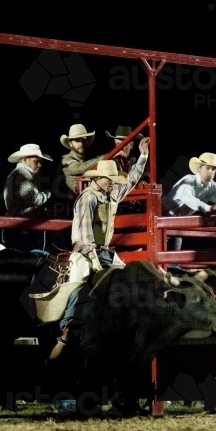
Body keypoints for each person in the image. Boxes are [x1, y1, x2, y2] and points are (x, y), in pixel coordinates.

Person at [51, 137, 150, 357]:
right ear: (101, 178)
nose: (115, 183)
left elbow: (131, 181)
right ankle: (66, 330)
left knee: (130, 280)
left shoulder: (110, 194)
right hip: (86, 252)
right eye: (111, 179)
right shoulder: (88, 198)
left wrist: (143, 157)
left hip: (105, 252)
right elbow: (86, 237)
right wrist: (96, 263)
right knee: (80, 285)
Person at [163, 152, 216, 251]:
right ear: (199, 168)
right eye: (208, 168)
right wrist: (209, 208)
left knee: (173, 259)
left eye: (213, 169)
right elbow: (188, 198)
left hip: (176, 225)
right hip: (161, 216)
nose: (211, 172)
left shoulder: (213, 187)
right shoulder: (188, 180)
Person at [3, 144, 52, 252]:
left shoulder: (19, 174)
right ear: (25, 159)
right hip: (22, 228)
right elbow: (35, 200)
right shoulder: (21, 176)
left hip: (19, 227)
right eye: (36, 161)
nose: (39, 165)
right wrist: (48, 193)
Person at [59, 124, 104, 198]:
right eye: (77, 140)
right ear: (70, 143)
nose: (81, 143)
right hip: (70, 204)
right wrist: (104, 158)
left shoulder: (88, 159)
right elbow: (80, 168)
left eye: (83, 140)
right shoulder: (66, 159)